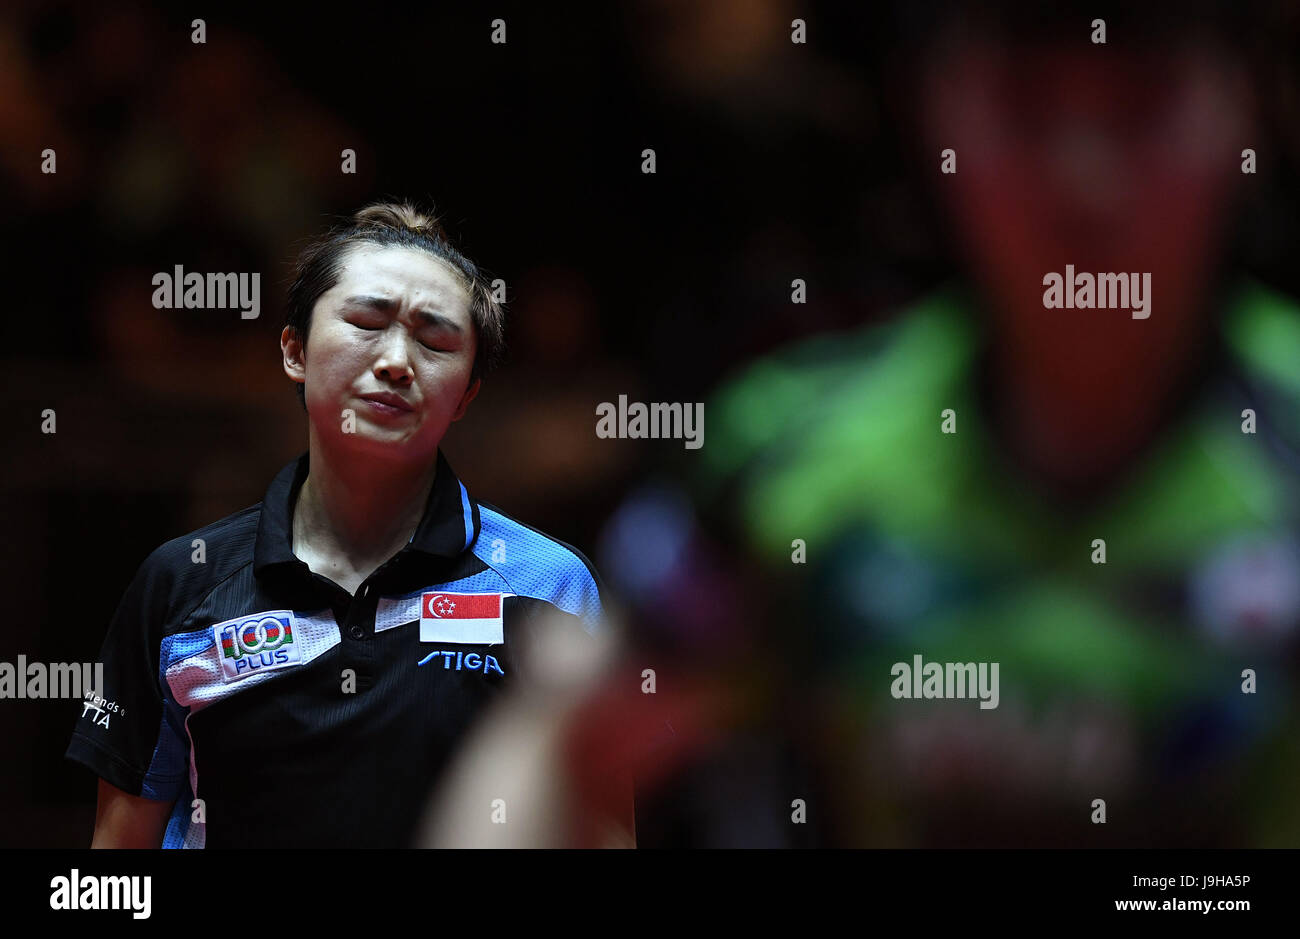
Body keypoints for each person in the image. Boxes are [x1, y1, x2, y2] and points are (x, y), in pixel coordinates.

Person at [65, 201, 619, 847]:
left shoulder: (547, 586)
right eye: (366, 321)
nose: (396, 361)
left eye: (435, 339)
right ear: (294, 349)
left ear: (467, 393)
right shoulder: (181, 584)